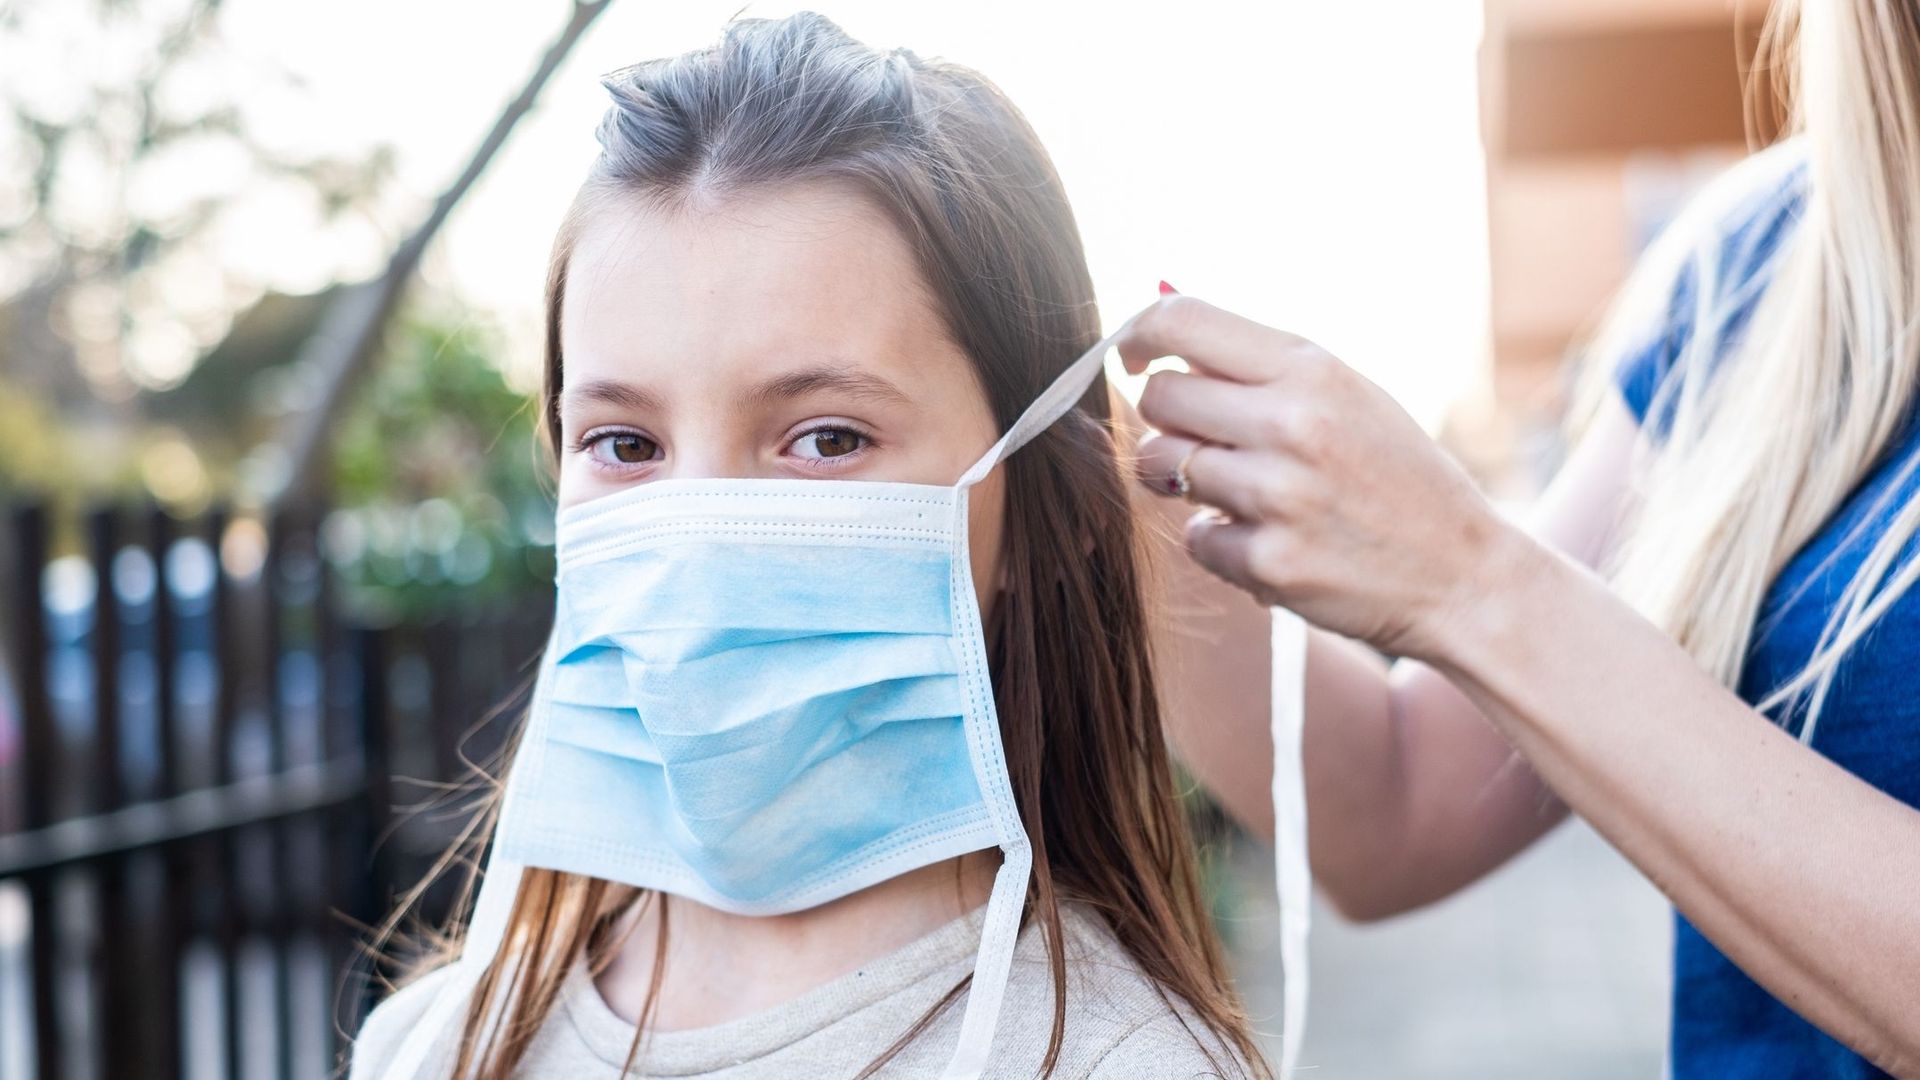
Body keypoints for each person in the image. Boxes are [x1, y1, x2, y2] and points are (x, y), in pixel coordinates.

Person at [348, 13, 1268, 1080]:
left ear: (1038, 508)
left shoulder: (1120, 1064)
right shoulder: (430, 1046)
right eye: (626, 444)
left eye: (827, 438)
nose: (701, 534)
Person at [1119, 1, 1920, 1076]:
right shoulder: (1765, 266)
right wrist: (1130, 486)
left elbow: (1482, 603)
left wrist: (1470, 579)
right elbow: (1401, 803)